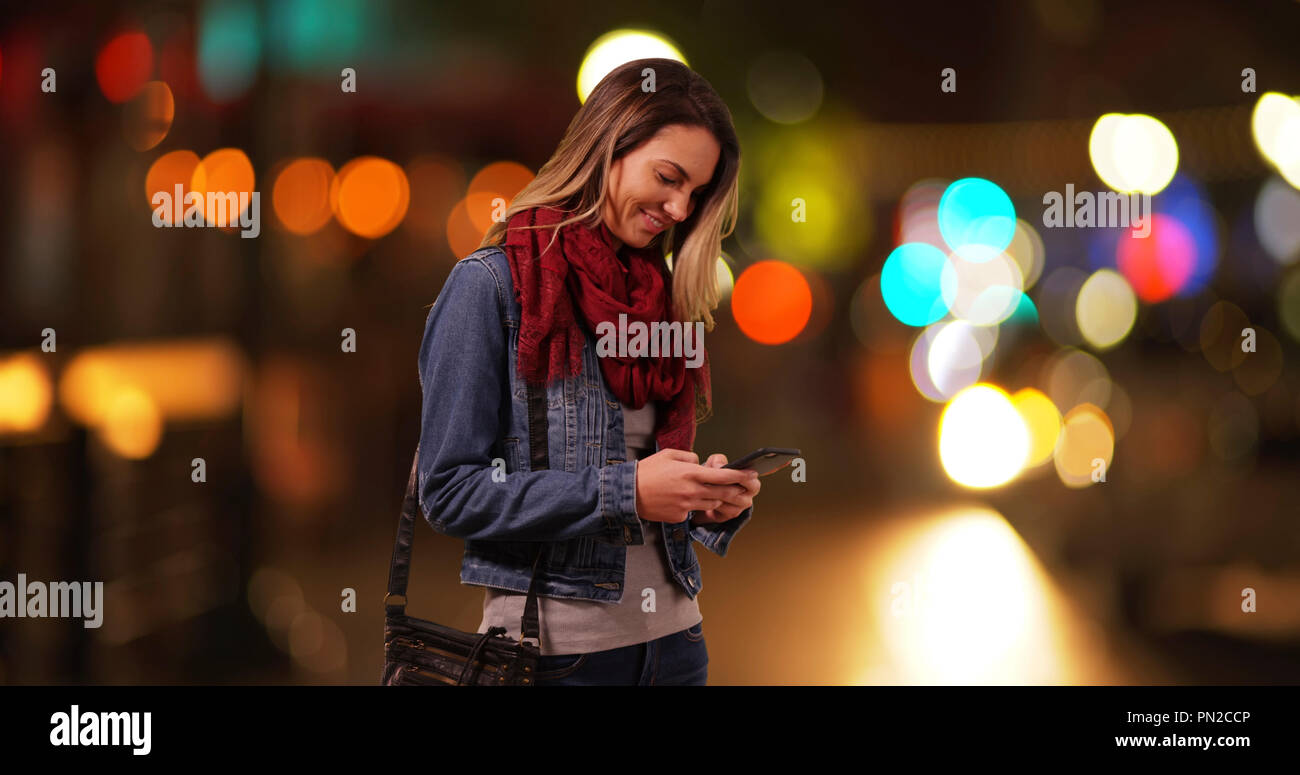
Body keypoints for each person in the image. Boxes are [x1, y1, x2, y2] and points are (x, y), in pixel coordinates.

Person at [416, 58, 760, 685]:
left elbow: (636, 463)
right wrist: (627, 491)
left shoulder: (662, 296)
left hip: (677, 645)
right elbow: (448, 492)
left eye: (697, 192)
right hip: (555, 659)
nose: (681, 207)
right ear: (609, 146)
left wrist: (700, 494)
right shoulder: (492, 286)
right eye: (668, 177)